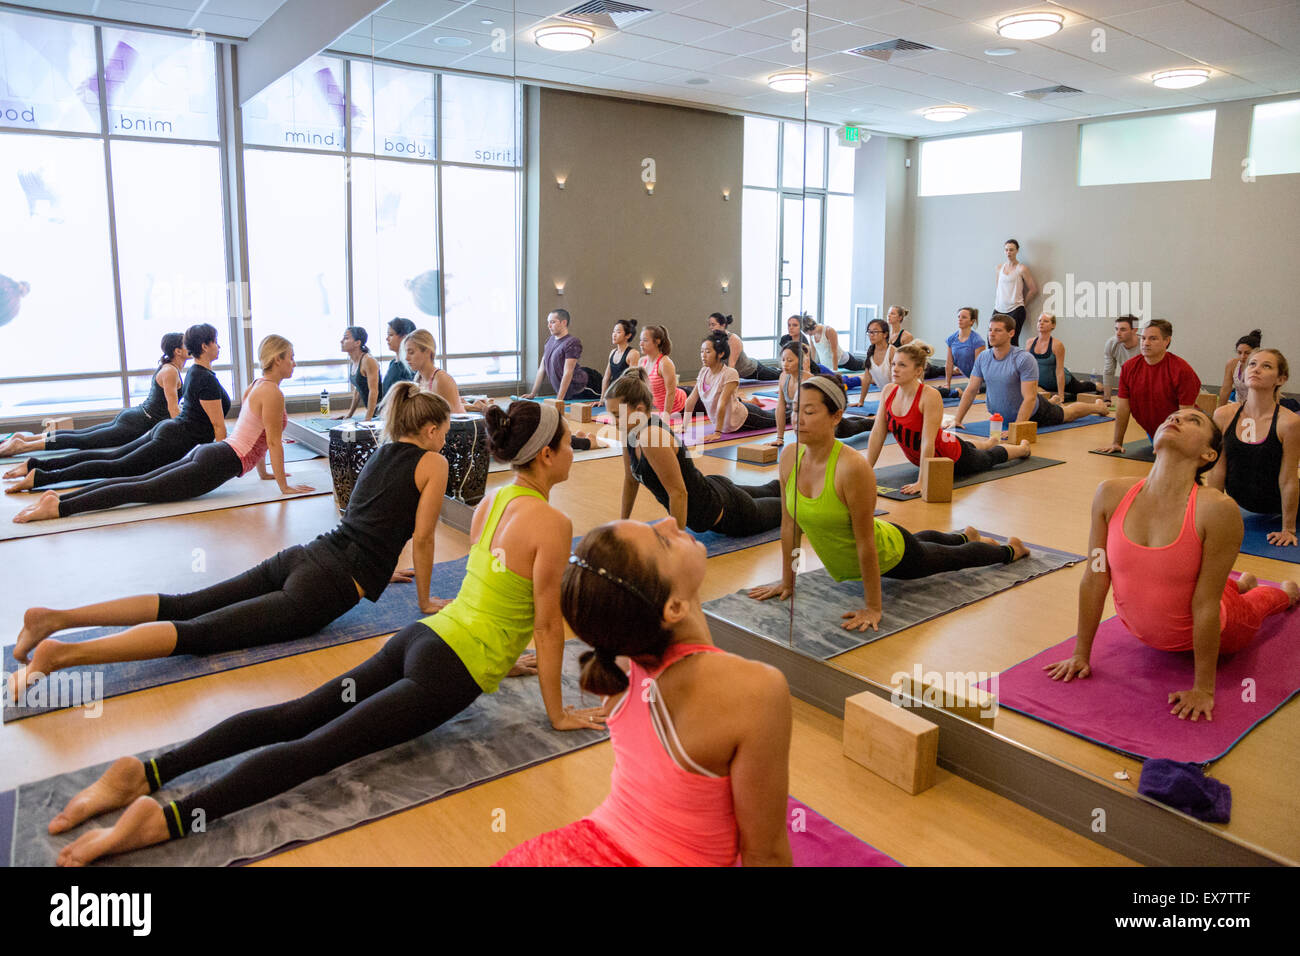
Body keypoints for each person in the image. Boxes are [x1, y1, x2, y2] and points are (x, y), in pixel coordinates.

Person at [40, 400, 606, 867]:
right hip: (446, 671)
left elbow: (488, 594)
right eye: (567, 444)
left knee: (299, 714)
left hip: (422, 639)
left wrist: (504, 658)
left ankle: (148, 771)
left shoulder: (494, 503)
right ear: (549, 454)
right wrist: (556, 714)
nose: (574, 453)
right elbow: (548, 624)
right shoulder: (553, 524)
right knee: (318, 751)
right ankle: (168, 818)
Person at [8, 381, 450, 690]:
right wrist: (425, 602)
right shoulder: (433, 463)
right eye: (445, 431)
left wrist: (378, 569)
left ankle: (55, 618)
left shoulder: (381, 451)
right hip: (324, 588)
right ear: (430, 429)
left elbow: (368, 518)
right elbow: (424, 537)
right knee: (196, 632)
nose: (446, 440)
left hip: (304, 556)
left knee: (186, 604)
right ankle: (60, 655)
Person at [495, 519, 793, 867]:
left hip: (569, 851)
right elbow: (765, 853)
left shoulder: (618, 661)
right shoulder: (756, 690)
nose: (668, 521)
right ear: (674, 607)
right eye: (661, 541)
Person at [1045, 408, 1299, 721]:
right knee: (1216, 584)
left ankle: (1286, 592)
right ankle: (1241, 583)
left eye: (1193, 421)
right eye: (1172, 417)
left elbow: (1206, 603)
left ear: (1208, 454)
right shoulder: (1109, 494)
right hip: (1163, 620)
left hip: (1222, 624)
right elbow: (1095, 575)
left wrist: (1203, 688)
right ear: (1155, 443)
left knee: (1255, 604)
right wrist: (1080, 654)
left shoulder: (1216, 509)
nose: (1175, 419)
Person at [749, 375, 1029, 630]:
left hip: (891, 558)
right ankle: (963, 535)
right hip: (887, 542)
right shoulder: (789, 457)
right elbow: (790, 525)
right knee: (922, 543)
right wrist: (788, 580)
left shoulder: (851, 468)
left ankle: (1009, 550)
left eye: (809, 412)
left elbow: (866, 542)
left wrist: (873, 607)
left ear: (836, 416)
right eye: (796, 410)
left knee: (949, 560)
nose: (798, 419)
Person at [12, 336, 312, 524]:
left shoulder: (256, 386)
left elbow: (256, 436)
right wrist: (284, 486)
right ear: (277, 359)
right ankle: (60, 507)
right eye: (291, 357)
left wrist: (264, 474)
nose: (294, 363)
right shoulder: (272, 393)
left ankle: (60, 499)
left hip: (212, 453)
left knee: (137, 480)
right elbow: (273, 442)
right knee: (140, 487)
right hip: (219, 460)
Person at [5, 324, 230, 491]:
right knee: (100, 455)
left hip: (155, 425)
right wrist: (220, 463)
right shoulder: (178, 372)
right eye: (216, 341)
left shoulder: (190, 371)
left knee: (94, 448)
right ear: (196, 347)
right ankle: (36, 466)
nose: (219, 346)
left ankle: (33, 458)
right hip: (145, 425)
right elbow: (191, 416)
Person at [607, 368, 781, 537]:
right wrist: (623, 523)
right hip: (713, 489)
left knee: (793, 507)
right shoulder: (629, 433)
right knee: (772, 489)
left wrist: (676, 543)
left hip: (729, 512)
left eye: (617, 414)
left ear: (638, 410)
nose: (612, 420)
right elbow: (630, 481)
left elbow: (678, 493)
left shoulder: (651, 437)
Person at [866, 343, 1031, 494]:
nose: (895, 369)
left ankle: (1022, 449)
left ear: (918, 370)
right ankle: (989, 442)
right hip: (946, 442)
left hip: (950, 457)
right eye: (894, 364)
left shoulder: (929, 396)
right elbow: (878, 433)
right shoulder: (888, 391)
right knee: (968, 444)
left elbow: (927, 441)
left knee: (987, 458)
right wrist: (867, 470)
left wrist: (923, 481)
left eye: (902, 365)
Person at [0, 333, 184, 457]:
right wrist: (183, 430)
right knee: (84, 439)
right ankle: (23, 446)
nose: (191, 346)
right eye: (186, 344)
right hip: (137, 423)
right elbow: (172, 407)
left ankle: (25, 438)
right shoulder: (170, 371)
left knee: (82, 434)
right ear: (177, 351)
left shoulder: (171, 368)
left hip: (135, 417)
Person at [949, 314, 1109, 434]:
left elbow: (1030, 398)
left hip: (1034, 412)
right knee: (1052, 404)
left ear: (1011, 333)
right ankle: (1052, 401)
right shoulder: (984, 357)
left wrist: (1017, 428)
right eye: (990, 330)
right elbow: (970, 390)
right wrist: (957, 419)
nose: (991, 334)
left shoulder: (1023, 358)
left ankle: (1097, 407)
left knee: (1068, 413)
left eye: (998, 330)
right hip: (1005, 414)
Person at [1209, 348, 1299, 547]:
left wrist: (1288, 529)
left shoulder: (1289, 422)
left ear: (1281, 379)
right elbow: (1217, 470)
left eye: (1266, 366)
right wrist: (1212, 516)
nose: (1256, 369)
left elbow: (1289, 478)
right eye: (1252, 364)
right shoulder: (1224, 414)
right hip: (1245, 499)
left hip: (1278, 502)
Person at [1095, 319, 1200, 454]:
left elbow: (1185, 414)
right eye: (1143, 338)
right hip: (1156, 431)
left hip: (1184, 430)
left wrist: (1182, 447)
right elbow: (1123, 408)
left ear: (1166, 341)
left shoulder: (1182, 370)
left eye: (1153, 339)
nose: (1146, 343)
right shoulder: (1129, 367)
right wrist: (1117, 442)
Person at [770, 341, 873, 447]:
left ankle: (879, 423)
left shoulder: (808, 379)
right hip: (811, 422)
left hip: (827, 421)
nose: (785, 364)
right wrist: (780, 438)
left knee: (855, 427)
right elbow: (781, 407)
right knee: (850, 423)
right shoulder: (783, 377)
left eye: (790, 360)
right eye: (783, 360)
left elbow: (820, 409)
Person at [682, 332, 776, 441]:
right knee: (774, 413)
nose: (703, 355)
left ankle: (794, 410)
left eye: (707, 352)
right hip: (725, 423)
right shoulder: (704, 372)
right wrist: (684, 426)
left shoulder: (729, 373)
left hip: (743, 418)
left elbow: (722, 403)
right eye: (701, 351)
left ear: (721, 353)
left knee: (778, 419)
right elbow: (691, 400)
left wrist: (717, 433)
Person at [521, 309, 600, 402]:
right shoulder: (549, 341)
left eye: (552, 322)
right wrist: (532, 394)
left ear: (564, 323)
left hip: (587, 386)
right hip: (570, 390)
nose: (549, 326)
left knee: (613, 397)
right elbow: (542, 369)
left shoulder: (572, 342)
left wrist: (559, 399)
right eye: (548, 322)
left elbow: (568, 372)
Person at [1025, 311, 1099, 403]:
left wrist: (1061, 396)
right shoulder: (1029, 343)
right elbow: (1027, 368)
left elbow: (1059, 371)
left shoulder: (1057, 345)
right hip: (1042, 383)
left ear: (1053, 325)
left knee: (1080, 388)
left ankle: (1096, 385)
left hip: (1062, 382)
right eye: (1039, 321)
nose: (1041, 323)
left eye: (1046, 321)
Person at [707, 312, 779, 381]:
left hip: (753, 370)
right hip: (743, 371)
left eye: (713, 325)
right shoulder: (714, 340)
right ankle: (774, 369)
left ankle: (778, 370)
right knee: (773, 370)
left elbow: (731, 365)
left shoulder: (733, 339)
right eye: (709, 325)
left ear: (723, 325)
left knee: (779, 375)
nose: (710, 327)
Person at [993, 239, 1038, 346]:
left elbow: (1033, 289)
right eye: (1007, 250)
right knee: (993, 340)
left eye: (1011, 250)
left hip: (1015, 310)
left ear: (1017, 251)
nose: (1009, 252)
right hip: (999, 308)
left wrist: (1022, 305)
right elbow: (998, 287)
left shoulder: (1021, 269)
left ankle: (1012, 363)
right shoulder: (999, 268)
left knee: (1011, 342)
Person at [637, 325, 688, 416]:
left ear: (657, 342)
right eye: (640, 340)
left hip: (683, 404)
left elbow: (671, 392)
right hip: (664, 405)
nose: (641, 344)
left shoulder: (664, 363)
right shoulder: (641, 362)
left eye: (645, 340)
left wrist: (666, 415)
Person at [338, 327, 381, 421]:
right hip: (373, 413)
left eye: (346, 338)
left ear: (357, 343)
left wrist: (368, 419)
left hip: (382, 412)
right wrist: (349, 415)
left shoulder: (368, 360)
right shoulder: (354, 361)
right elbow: (358, 389)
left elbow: (374, 391)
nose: (341, 341)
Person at [1216, 329, 1262, 408]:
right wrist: (1219, 410)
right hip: (1239, 405)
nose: (1242, 357)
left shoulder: (1261, 368)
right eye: (1239, 352)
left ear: (1256, 352)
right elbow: (1225, 389)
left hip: (1258, 407)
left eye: (1247, 353)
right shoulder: (1232, 364)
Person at [1101, 315, 1142, 403]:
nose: (1118, 333)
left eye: (1123, 329)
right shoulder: (1111, 344)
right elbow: (1108, 372)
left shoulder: (1144, 345)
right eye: (1116, 329)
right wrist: (1107, 399)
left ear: (1134, 330)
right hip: (1128, 384)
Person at [600, 319, 641, 402]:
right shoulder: (612, 352)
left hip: (626, 399)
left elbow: (633, 382)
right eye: (613, 331)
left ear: (628, 335)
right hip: (612, 396)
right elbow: (606, 378)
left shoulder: (633, 354)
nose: (614, 335)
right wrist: (602, 399)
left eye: (618, 332)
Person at [944, 307, 985, 389]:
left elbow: (978, 366)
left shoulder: (977, 341)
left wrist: (975, 386)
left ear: (972, 321)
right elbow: (949, 363)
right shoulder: (951, 339)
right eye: (959, 317)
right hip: (971, 376)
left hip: (986, 377)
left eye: (964, 317)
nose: (960, 319)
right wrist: (947, 384)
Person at [859, 319, 895, 398]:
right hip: (888, 396)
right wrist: (861, 401)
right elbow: (867, 379)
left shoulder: (892, 351)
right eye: (869, 332)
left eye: (875, 331)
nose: (871, 335)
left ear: (885, 334)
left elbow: (896, 380)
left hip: (901, 396)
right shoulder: (871, 351)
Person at [381, 318, 417, 397]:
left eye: (391, 335)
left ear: (404, 338)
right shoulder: (392, 363)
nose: (387, 339)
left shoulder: (410, 366)